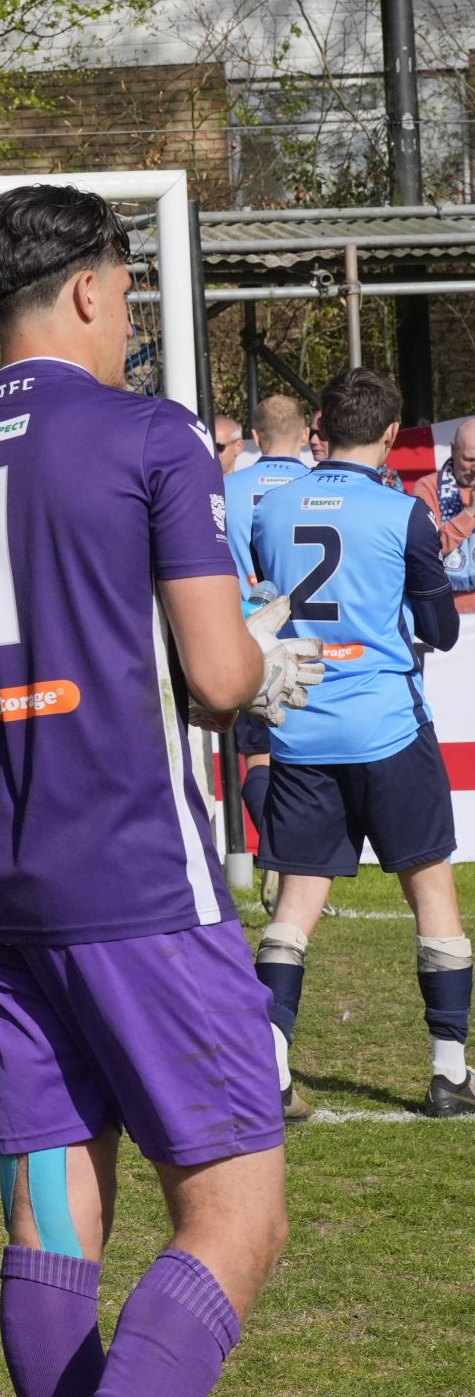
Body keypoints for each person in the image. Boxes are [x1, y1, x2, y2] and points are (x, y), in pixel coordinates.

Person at [0, 184, 314, 1397]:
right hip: (133, 872)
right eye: (131, 298)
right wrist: (260, 657)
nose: (133, 324)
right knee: (235, 1220)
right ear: (92, 290)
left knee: (50, 1228)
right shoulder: (151, 432)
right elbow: (217, 678)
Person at [248, 367, 473, 1122]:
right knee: (431, 890)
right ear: (390, 434)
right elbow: (441, 630)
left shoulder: (271, 507)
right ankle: (449, 1073)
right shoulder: (402, 512)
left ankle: (272, 1065)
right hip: (386, 726)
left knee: (294, 903)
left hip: (301, 724)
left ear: (321, 426)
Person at [221, 394, 310, 836]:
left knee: (259, 759)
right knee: (313, 763)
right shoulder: (320, 486)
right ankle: (302, 856)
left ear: (255, 436)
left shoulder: (225, 490)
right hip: (312, 640)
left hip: (251, 641)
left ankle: (279, 853)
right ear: (306, 435)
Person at [408, 415, 475, 612]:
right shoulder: (427, 487)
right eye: (469, 459)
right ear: (453, 449)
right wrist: (470, 513)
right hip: (449, 610)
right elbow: (426, 550)